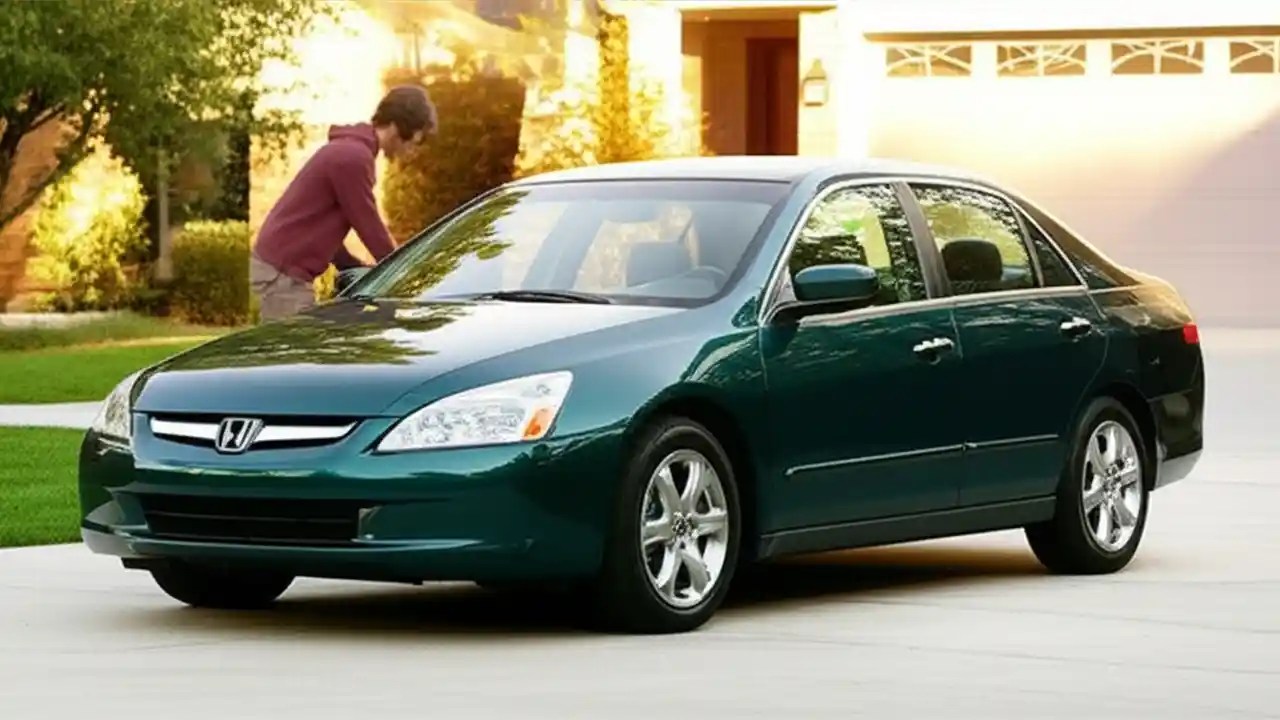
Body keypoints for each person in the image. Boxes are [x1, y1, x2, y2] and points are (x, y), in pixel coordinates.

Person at [249, 85, 438, 321]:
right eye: (412, 142)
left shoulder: (351, 152)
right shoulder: (353, 158)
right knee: (296, 353)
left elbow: (328, 227)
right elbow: (369, 226)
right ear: (397, 128)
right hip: (283, 273)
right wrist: (403, 271)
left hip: (282, 269)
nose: (409, 151)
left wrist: (351, 266)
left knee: (306, 349)